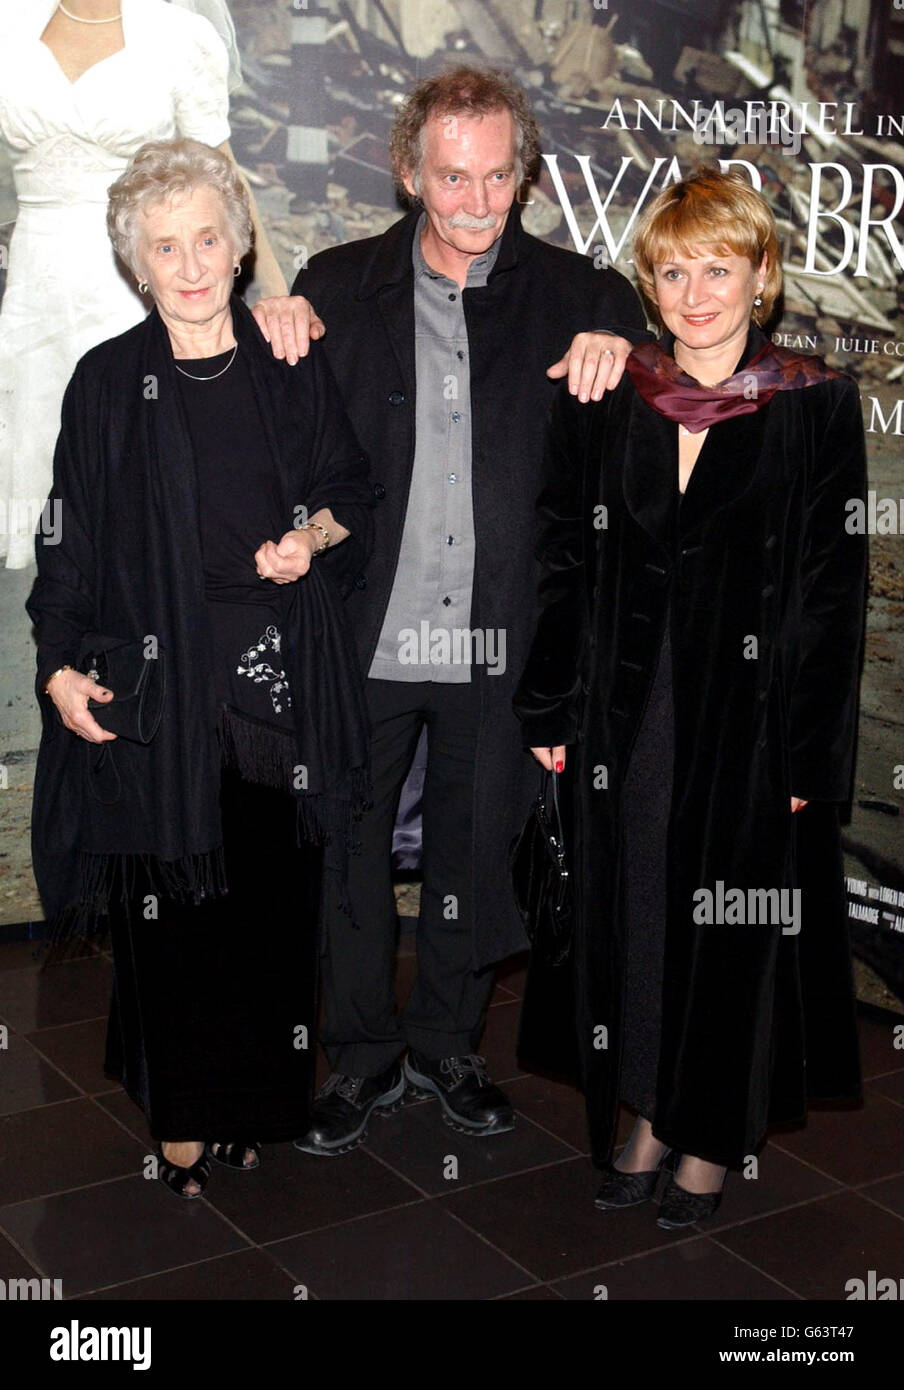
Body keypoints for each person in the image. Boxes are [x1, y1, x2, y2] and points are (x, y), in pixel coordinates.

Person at [251, 65, 651, 1154]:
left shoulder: (579, 294)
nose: (476, 201)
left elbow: (658, 394)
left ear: (522, 173)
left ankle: (445, 1047)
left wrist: (628, 346)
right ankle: (363, 1057)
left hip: (496, 638)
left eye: (497, 176)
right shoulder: (335, 286)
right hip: (364, 631)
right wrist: (267, 316)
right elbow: (263, 427)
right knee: (348, 855)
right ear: (408, 173)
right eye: (451, 176)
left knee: (477, 857)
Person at [514, 166, 867, 1228]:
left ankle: (709, 1133)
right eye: (674, 270)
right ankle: (649, 1114)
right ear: (648, 283)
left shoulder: (811, 402)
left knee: (730, 930)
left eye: (720, 267)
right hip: (625, 710)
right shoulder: (612, 392)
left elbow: (828, 592)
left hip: (746, 725)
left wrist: (808, 759)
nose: (696, 291)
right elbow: (562, 556)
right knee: (639, 909)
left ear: (760, 276)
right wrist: (548, 710)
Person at [27, 138, 372, 1198]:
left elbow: (348, 487)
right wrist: (55, 668)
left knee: (269, 915)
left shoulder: (290, 363)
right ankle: (180, 1117)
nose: (187, 264)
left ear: (238, 245)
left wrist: (307, 540)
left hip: (275, 689)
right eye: (163, 246)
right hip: (156, 691)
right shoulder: (102, 384)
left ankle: (254, 1104)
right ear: (136, 261)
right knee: (170, 922)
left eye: (206, 239)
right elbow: (65, 543)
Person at [0, 0, 287, 569]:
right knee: (49, 501)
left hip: (138, 286)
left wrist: (276, 289)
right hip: (37, 295)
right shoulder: (9, 23)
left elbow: (221, 174)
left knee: (142, 498)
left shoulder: (178, 36)